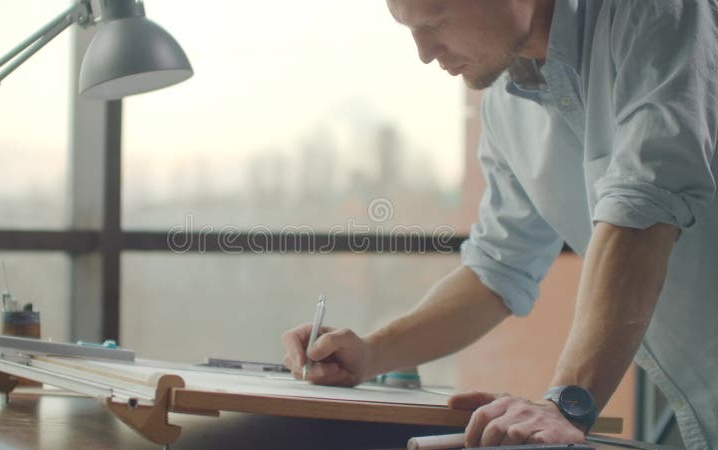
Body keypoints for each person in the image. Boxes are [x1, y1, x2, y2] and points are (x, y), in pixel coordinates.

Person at [281, 1, 718, 449]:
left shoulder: (659, 13)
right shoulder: (508, 107)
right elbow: (498, 270)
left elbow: (642, 211)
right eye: (409, 29)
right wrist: (372, 353)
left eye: (434, 22)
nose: (425, 52)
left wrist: (564, 405)